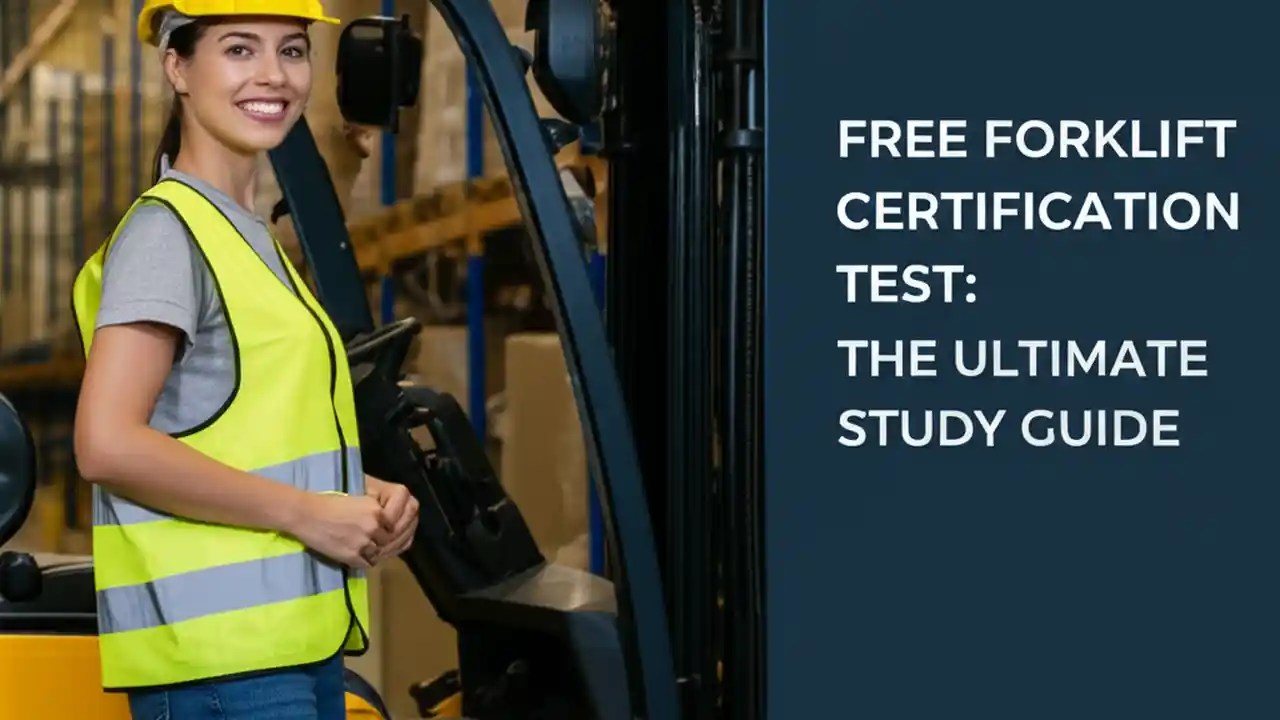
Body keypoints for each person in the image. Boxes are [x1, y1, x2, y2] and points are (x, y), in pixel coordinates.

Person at [69, 2, 419, 717]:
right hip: (225, 673)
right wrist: (304, 513)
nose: (273, 75)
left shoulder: (247, 238)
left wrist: (356, 490)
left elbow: (236, 430)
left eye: (292, 51)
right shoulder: (170, 234)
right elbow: (105, 444)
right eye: (238, 50)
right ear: (178, 68)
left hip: (289, 653)